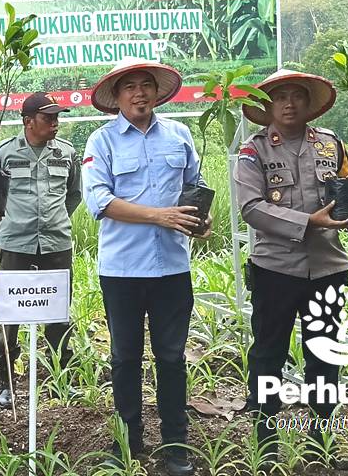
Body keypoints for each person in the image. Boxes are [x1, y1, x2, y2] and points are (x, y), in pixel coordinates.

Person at [82, 57, 210, 476]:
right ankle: (127, 442)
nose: (139, 93)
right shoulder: (101, 141)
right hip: (122, 270)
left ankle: (176, 446)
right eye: (130, 87)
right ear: (117, 97)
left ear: (157, 92)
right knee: (125, 358)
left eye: (146, 85)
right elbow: (99, 201)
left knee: (171, 357)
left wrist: (201, 219)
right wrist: (160, 216)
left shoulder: (179, 135)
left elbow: (194, 188)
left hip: (172, 267)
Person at [234, 69, 348, 471]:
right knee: (268, 354)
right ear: (267, 106)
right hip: (275, 270)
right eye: (280, 97)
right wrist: (309, 222)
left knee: (324, 355)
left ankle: (320, 442)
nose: (289, 104)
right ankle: (266, 442)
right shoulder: (253, 152)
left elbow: (346, 189)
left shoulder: (330, 144)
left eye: (297, 96)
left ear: (309, 104)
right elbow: (252, 209)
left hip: (327, 268)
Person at [0, 92, 81, 409]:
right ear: (28, 121)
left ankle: (60, 380)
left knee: (58, 313)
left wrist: (55, 221)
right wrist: (11, 224)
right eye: (48, 118)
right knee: (9, 316)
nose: (55, 123)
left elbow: (74, 194)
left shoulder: (66, 153)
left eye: (57, 117)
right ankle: (6, 382)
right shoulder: (4, 154)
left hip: (56, 244)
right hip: (16, 245)